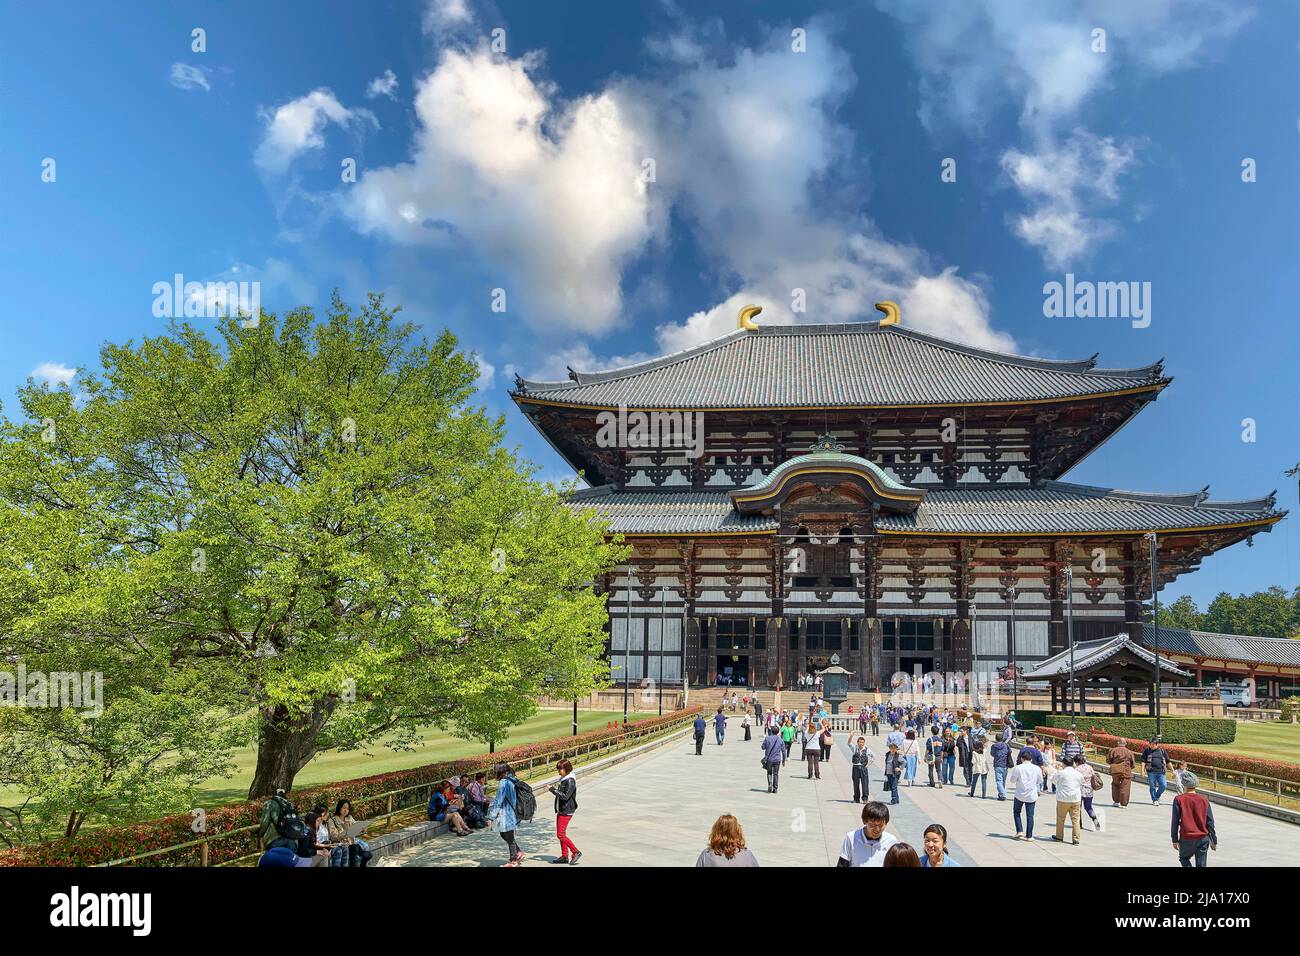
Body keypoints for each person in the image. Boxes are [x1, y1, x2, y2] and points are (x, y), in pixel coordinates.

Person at [1171, 772, 1217, 867]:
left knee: (1183, 858)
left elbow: (1175, 822)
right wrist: (1214, 840)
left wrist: (1174, 839)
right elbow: (1210, 822)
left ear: (1184, 785)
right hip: (1203, 838)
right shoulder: (1204, 800)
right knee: (1201, 864)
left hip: (1187, 837)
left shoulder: (1179, 799)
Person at [837, 801, 898, 867]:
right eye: (872, 825)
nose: (877, 829)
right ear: (864, 821)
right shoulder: (851, 838)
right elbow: (842, 864)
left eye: (880, 825)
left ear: (886, 823)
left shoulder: (891, 841)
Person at [489, 763, 524, 867]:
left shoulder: (503, 782)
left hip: (506, 813)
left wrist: (491, 816)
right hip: (512, 811)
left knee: (508, 835)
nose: (494, 773)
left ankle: (513, 860)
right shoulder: (511, 779)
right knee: (504, 834)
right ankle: (518, 853)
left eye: (495, 771)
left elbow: (498, 800)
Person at [1049, 756, 1084, 846]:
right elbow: (1081, 782)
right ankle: (1076, 839)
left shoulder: (1061, 773)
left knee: (1060, 819)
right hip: (1075, 799)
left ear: (1063, 763)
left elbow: (1052, 780)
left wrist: (1057, 770)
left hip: (1063, 799)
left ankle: (1059, 836)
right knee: (1076, 820)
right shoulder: (1078, 774)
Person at [1009, 750, 1040, 841]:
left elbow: (1012, 780)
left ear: (1022, 758)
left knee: (1017, 812)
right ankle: (1029, 836)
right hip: (1031, 794)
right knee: (1030, 815)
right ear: (1031, 759)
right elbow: (1039, 781)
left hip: (1019, 794)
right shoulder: (1036, 768)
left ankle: (1019, 831)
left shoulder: (1018, 768)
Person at [332, 799, 373, 867]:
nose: (346, 810)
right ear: (339, 808)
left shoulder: (349, 817)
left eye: (347, 809)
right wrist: (342, 836)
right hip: (342, 844)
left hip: (352, 842)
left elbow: (356, 827)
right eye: (344, 808)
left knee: (368, 855)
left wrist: (362, 829)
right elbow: (333, 836)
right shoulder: (333, 820)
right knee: (354, 848)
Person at [1077, 755, 1104, 832]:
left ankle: (1079, 824)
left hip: (1079, 790)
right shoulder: (1089, 767)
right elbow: (1093, 776)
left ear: (1077, 762)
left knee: (1078, 808)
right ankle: (1096, 822)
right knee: (1089, 807)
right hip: (1089, 790)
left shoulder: (1077, 769)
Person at [1107, 738, 1135, 808]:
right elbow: (1133, 763)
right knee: (1125, 787)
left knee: (1115, 785)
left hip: (1115, 770)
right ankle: (1124, 804)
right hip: (1126, 770)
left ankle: (1116, 801)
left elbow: (1108, 761)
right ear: (1125, 744)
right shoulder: (1129, 752)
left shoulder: (1112, 750)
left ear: (1118, 743)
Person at [1142, 736, 1170, 805]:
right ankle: (1154, 800)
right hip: (1151, 772)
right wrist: (1142, 771)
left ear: (1157, 744)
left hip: (1161, 772)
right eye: (1150, 744)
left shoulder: (1162, 751)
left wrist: (1173, 770)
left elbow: (1168, 761)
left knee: (1164, 785)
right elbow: (1143, 761)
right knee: (1152, 786)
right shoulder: (1147, 751)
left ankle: (1157, 796)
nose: (1151, 746)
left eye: (1152, 744)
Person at [850, 735, 876, 803]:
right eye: (860, 742)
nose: (861, 743)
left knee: (865, 783)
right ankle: (856, 798)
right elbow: (849, 743)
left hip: (863, 768)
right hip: (855, 767)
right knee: (855, 783)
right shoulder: (854, 748)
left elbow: (873, 757)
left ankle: (865, 798)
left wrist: (868, 765)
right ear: (857, 742)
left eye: (862, 742)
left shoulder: (867, 750)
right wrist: (851, 736)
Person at [762, 724, 785, 793]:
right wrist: (784, 760)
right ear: (778, 732)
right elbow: (783, 751)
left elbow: (763, 747)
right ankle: (775, 788)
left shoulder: (767, 738)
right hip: (777, 759)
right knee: (776, 773)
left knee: (769, 772)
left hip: (769, 759)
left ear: (771, 731)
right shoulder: (780, 740)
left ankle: (770, 784)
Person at [990, 734, 1013, 801]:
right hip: (1005, 764)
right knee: (1003, 780)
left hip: (997, 764)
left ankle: (1002, 795)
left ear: (996, 739)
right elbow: (1010, 752)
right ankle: (1001, 794)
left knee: (999, 780)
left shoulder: (994, 746)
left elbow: (992, 754)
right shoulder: (1006, 745)